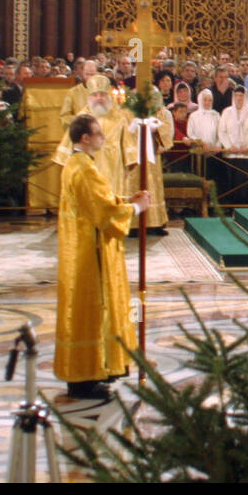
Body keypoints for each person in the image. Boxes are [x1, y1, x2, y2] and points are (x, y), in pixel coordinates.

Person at [56, 113, 151, 401]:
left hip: (84, 248)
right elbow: (100, 211)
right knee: (91, 311)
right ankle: (84, 378)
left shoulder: (79, 164)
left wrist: (126, 200)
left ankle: (96, 370)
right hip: (88, 252)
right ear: (85, 138)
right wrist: (136, 209)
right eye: (98, 133)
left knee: (91, 310)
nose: (103, 138)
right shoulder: (83, 168)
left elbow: (102, 200)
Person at [218, 85, 248, 205]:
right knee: (231, 183)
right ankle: (230, 207)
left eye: (241, 96)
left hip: (247, 155)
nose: (239, 98)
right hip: (231, 154)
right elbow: (222, 131)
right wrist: (229, 146)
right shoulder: (227, 112)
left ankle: (245, 208)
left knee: (245, 184)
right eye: (236, 96)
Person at [59, 59, 97, 127]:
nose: (90, 78)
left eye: (93, 74)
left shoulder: (105, 92)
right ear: (82, 73)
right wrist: (80, 120)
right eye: (87, 74)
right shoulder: (72, 92)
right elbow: (64, 116)